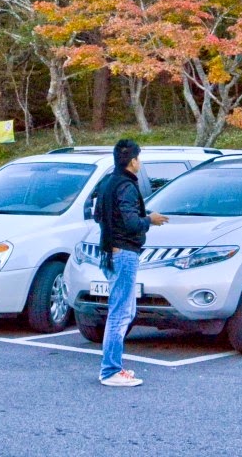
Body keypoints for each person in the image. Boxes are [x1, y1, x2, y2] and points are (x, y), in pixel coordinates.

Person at [95, 138, 167, 387]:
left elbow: (98, 215)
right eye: (139, 158)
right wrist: (149, 220)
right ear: (133, 161)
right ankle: (110, 371)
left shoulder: (107, 182)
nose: (140, 162)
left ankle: (113, 366)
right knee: (121, 313)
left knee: (124, 310)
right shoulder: (126, 186)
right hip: (124, 254)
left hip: (109, 252)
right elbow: (131, 222)